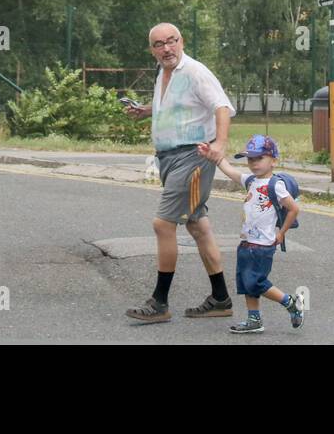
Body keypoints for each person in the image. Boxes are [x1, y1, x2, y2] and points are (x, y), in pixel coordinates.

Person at [123, 23, 236, 323]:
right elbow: (178, 106)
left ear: (181, 41)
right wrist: (147, 110)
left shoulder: (196, 72)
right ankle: (220, 298)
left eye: (171, 41)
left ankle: (159, 302)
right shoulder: (164, 72)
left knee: (163, 224)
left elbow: (222, 106)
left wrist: (220, 144)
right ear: (153, 50)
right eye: (159, 44)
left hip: (193, 157)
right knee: (197, 225)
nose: (166, 48)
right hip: (170, 159)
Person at [204, 134, 304, 333]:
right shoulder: (251, 181)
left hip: (263, 244)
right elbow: (230, 171)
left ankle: (290, 302)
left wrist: (282, 233)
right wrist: (215, 156)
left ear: (273, 161)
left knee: (255, 281)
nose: (254, 163)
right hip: (246, 242)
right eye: (250, 159)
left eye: (259, 158)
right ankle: (254, 320)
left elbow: (293, 209)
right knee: (246, 283)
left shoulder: (276, 185)